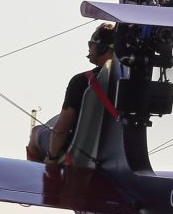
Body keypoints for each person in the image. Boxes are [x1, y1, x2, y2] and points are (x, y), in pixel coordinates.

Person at [26, 24, 115, 163]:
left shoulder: (82, 81)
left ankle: (38, 178)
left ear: (102, 47)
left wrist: (52, 156)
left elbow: (61, 130)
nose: (89, 48)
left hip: (79, 151)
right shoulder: (128, 83)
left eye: (91, 44)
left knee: (36, 133)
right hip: (112, 152)